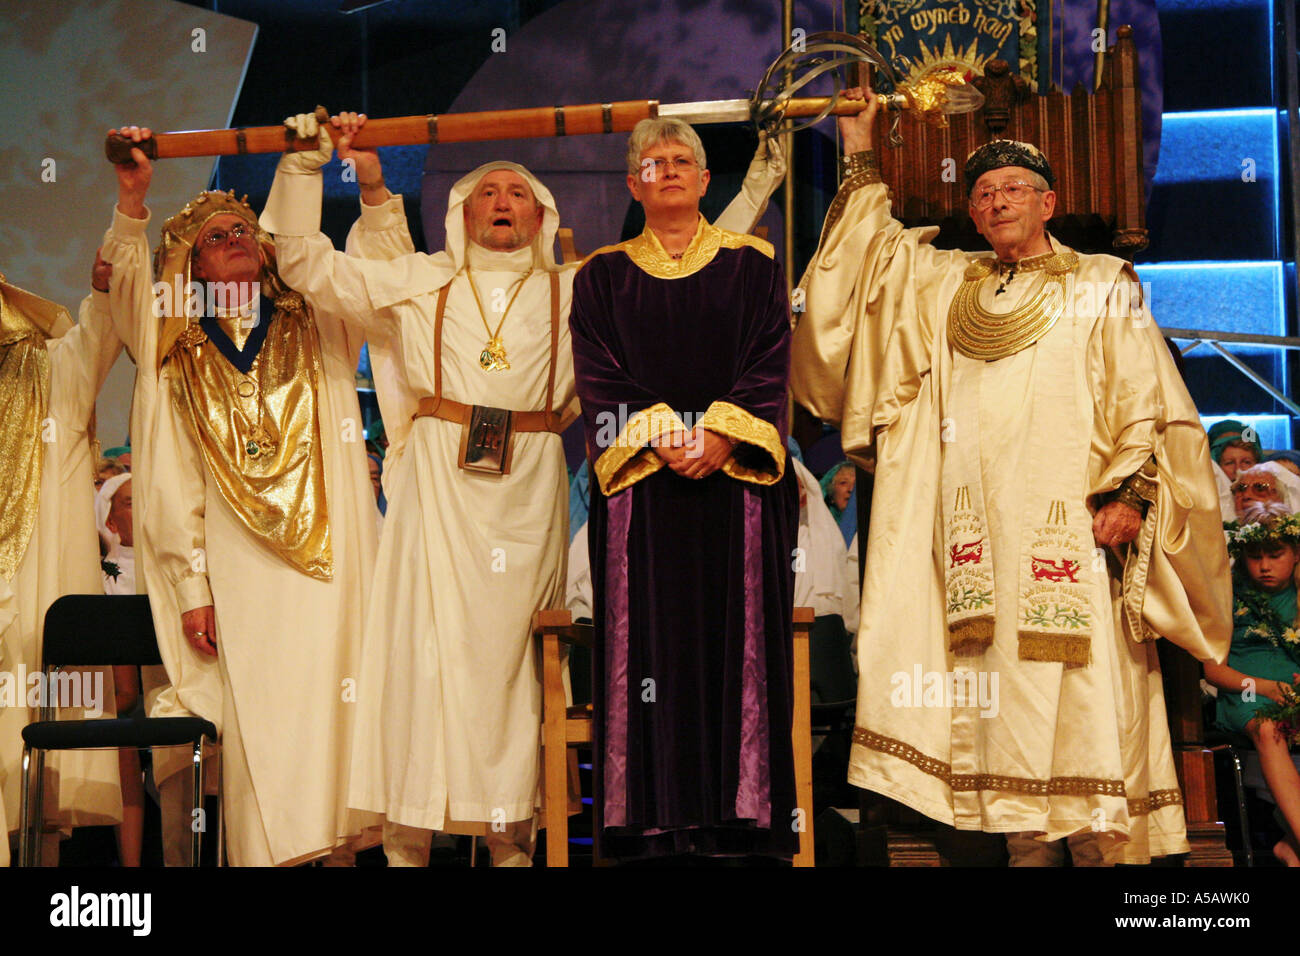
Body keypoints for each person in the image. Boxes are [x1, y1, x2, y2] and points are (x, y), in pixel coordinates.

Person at [258, 108, 781, 866]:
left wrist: (756, 181)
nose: (503, 201)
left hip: (531, 476)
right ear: (459, 211)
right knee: (420, 651)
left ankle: (510, 837)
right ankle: (408, 839)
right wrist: (306, 163)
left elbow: (691, 260)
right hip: (436, 481)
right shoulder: (418, 279)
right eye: (486, 191)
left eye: (519, 192)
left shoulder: (583, 285)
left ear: (542, 215)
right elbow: (304, 263)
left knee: (514, 663)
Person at [791, 88, 1232, 864]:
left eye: (1013, 190)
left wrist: (1130, 493)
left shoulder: (1102, 280)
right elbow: (869, 262)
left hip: (1071, 529)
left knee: (1086, 706)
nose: (996, 202)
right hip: (974, 546)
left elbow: (1146, 395)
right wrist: (857, 144)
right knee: (1001, 733)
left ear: (1049, 201)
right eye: (984, 193)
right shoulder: (947, 284)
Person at [99, 126, 379, 866]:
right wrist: (191, 583)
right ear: (188, 264)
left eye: (244, 231)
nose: (235, 239)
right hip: (236, 571)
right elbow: (171, 484)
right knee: (263, 731)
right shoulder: (173, 347)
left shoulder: (317, 321)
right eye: (216, 235)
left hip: (329, 561)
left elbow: (340, 255)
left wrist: (313, 166)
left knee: (339, 724)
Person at [571, 116, 799, 861]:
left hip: (737, 484)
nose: (665, 170)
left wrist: (724, 433)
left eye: (681, 161)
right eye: (650, 162)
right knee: (647, 657)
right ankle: (650, 819)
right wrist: (664, 433)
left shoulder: (755, 267)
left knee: (739, 648)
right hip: (644, 491)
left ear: (706, 181)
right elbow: (599, 374)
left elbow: (770, 361)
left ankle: (744, 817)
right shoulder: (601, 276)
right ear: (633, 183)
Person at [0, 267, 123, 866]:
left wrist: (103, 289)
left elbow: (94, 341)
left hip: (22, 594)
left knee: (33, 781)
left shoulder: (45, 370)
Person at [1205, 502, 1300, 865]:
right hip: (1245, 693)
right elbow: (1213, 672)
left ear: (1295, 554)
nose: (1263, 566)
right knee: (1267, 727)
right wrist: (1264, 687)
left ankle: (1291, 844)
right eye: (1254, 556)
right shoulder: (1228, 596)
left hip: (1294, 693)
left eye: (1275, 555)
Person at [94, 472, 145, 866]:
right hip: (123, 698)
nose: (142, 507)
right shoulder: (100, 579)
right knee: (123, 738)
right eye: (130, 501)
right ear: (110, 522)